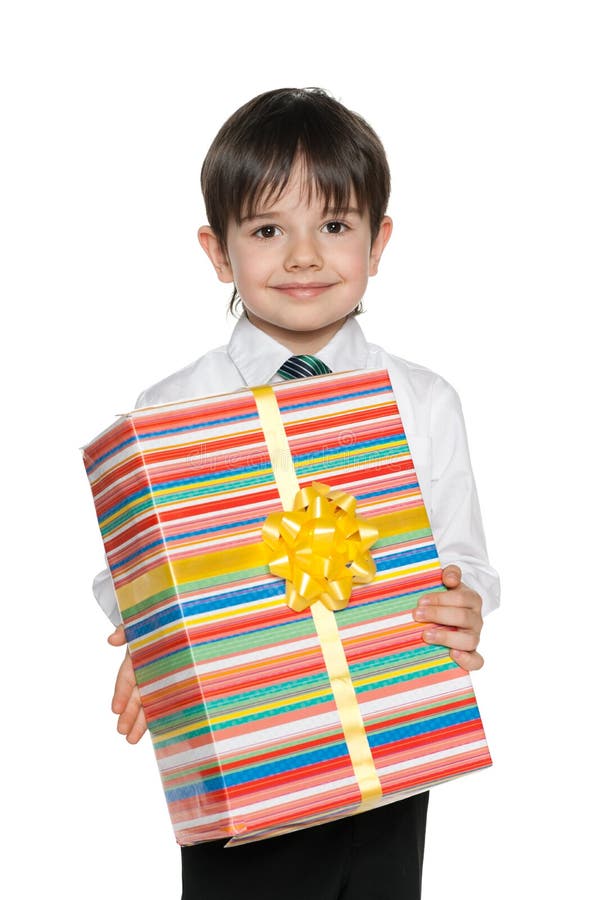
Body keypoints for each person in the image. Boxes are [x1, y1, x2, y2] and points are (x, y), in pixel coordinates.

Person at [93, 87, 500, 900]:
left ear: (379, 241)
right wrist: (152, 631)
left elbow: (464, 556)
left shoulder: (420, 399)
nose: (305, 256)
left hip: (389, 730)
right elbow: (127, 568)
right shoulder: (170, 409)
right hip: (240, 738)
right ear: (219, 252)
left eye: (336, 226)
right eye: (269, 230)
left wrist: (465, 599)